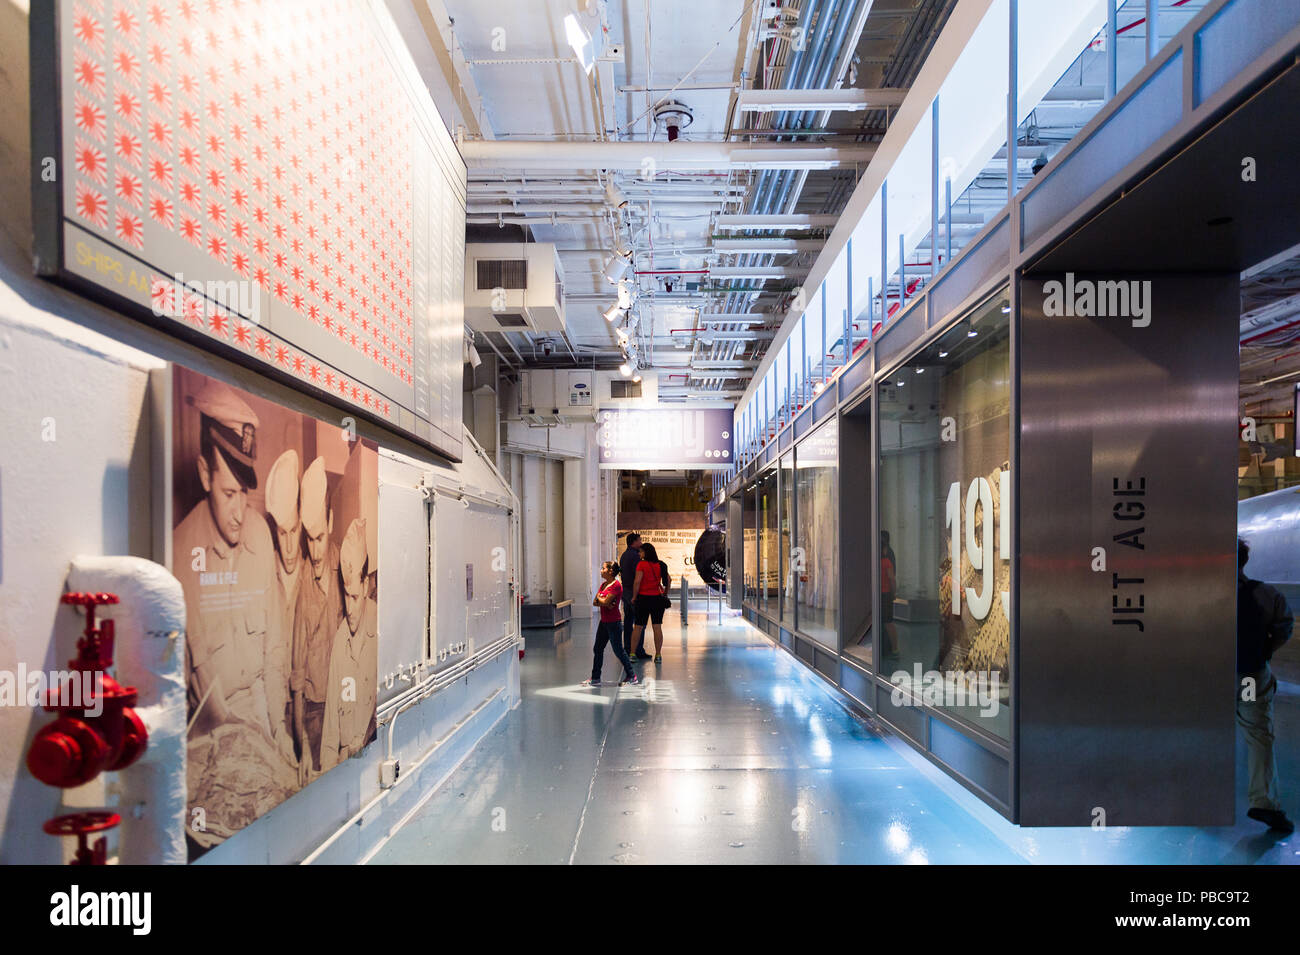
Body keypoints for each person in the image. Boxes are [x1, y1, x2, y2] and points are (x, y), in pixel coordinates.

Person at [175, 380, 288, 850]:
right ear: (204, 474)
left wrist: (280, 732)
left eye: (244, 492)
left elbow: (275, 648)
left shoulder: (260, 535)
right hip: (214, 752)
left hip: (265, 726)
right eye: (227, 492)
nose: (241, 512)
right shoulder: (180, 555)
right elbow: (197, 704)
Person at [1237, 537, 1294, 833]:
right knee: (1258, 735)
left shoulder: (1196, 594)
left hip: (1206, 677)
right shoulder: (1266, 594)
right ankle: (1263, 802)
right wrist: (1266, 649)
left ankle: (1190, 797)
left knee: (1200, 733)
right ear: (1244, 561)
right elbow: (1284, 627)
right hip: (1249, 674)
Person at [291, 456, 342, 785]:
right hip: (312, 710)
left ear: (331, 524)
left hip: (344, 702)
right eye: (309, 540)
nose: (316, 550)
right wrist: (303, 750)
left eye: (320, 537)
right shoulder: (302, 587)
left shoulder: (349, 569)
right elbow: (296, 677)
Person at [320, 519, 379, 771]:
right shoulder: (341, 638)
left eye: (355, 597)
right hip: (345, 762)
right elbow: (331, 725)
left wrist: (364, 737)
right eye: (346, 596)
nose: (350, 608)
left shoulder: (380, 628)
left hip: (374, 753)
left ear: (366, 585)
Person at [264, 449, 303, 746]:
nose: (289, 545)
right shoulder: (263, 577)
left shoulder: (317, 578)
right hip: (272, 710)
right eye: (281, 533)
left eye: (293, 531)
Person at [580, 562, 638, 688]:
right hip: (604, 622)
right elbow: (596, 602)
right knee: (598, 649)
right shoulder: (604, 584)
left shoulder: (616, 586)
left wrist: (603, 600)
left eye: (603, 568)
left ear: (611, 571)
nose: (601, 570)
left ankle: (632, 676)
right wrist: (604, 601)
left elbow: (604, 601)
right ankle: (595, 678)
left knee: (618, 651)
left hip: (614, 623)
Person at [631, 542, 671, 664]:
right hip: (657, 600)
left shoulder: (642, 564)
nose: (639, 553)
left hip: (643, 599)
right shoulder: (661, 564)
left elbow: (637, 582)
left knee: (638, 627)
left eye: (641, 551)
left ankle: (632, 654)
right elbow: (668, 580)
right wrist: (665, 594)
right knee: (657, 627)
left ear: (646, 552)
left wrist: (634, 597)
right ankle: (658, 655)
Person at [618, 532, 642, 658]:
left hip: (625, 592)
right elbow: (637, 576)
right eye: (640, 540)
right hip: (633, 593)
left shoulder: (624, 555)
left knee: (628, 621)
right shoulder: (635, 556)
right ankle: (638, 649)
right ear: (634, 542)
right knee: (639, 622)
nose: (641, 543)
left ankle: (627, 647)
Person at [881, 531, 898, 656]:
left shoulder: (881, 561)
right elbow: (892, 579)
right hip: (886, 594)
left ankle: (891, 648)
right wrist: (894, 593)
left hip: (882, 595)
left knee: (886, 622)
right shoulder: (886, 561)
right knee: (888, 622)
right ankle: (893, 648)